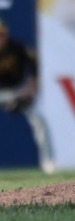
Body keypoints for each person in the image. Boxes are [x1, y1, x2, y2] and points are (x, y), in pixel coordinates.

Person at [0, 17, 53, 172]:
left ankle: (48, 162)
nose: (1, 38)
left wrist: (33, 85)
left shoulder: (17, 48)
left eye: (2, 34)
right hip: (5, 92)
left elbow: (38, 65)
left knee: (39, 120)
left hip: (21, 89)